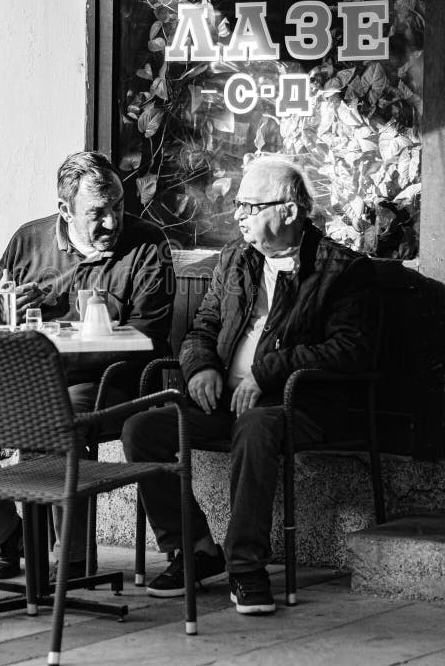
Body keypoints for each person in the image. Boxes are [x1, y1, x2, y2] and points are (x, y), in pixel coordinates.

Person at [122, 157, 376, 614]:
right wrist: (201, 368)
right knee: (142, 429)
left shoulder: (340, 270)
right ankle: (196, 548)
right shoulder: (236, 259)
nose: (238, 215)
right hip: (225, 401)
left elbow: (350, 349)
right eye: (238, 205)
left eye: (250, 206)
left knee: (256, 425)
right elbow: (203, 327)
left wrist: (268, 371)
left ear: (289, 211)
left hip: (298, 404)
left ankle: (246, 566)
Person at [0, 150, 175, 579]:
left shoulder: (148, 245)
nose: (111, 222)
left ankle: (70, 556)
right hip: (25, 378)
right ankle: (7, 537)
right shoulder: (28, 240)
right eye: (97, 213)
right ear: (65, 209)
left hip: (105, 380)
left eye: (118, 207)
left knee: (54, 418)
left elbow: (150, 336)